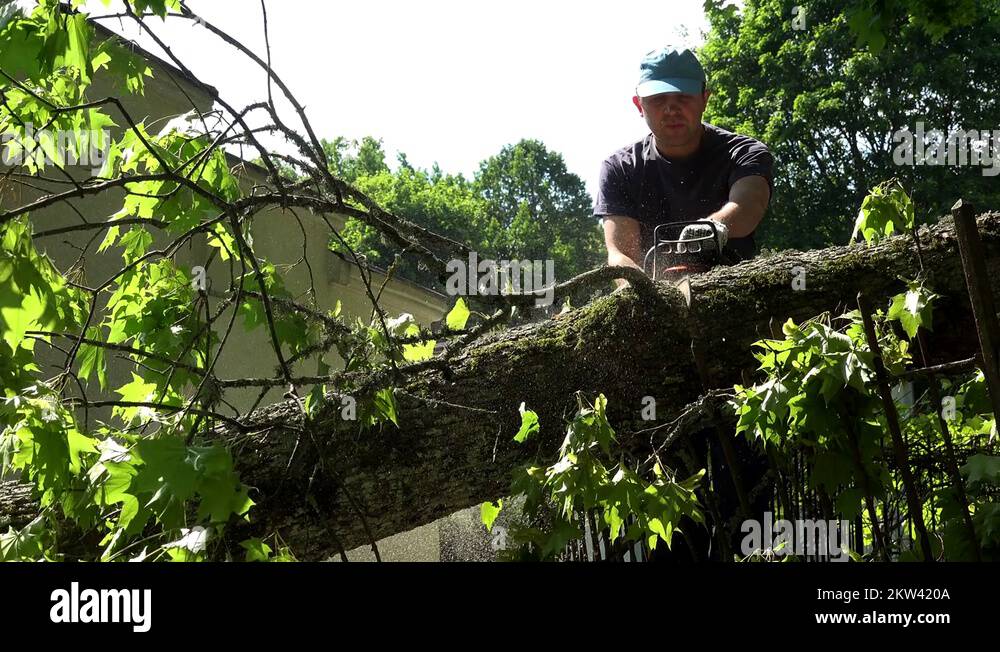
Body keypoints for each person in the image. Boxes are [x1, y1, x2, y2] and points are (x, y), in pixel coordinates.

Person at [595, 46, 774, 286]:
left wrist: (714, 226)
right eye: (658, 100)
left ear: (704, 99)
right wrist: (645, 296)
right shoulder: (619, 168)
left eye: (683, 97)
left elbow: (750, 202)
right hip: (653, 297)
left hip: (738, 291)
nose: (671, 110)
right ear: (640, 105)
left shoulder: (743, 153)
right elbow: (620, 255)